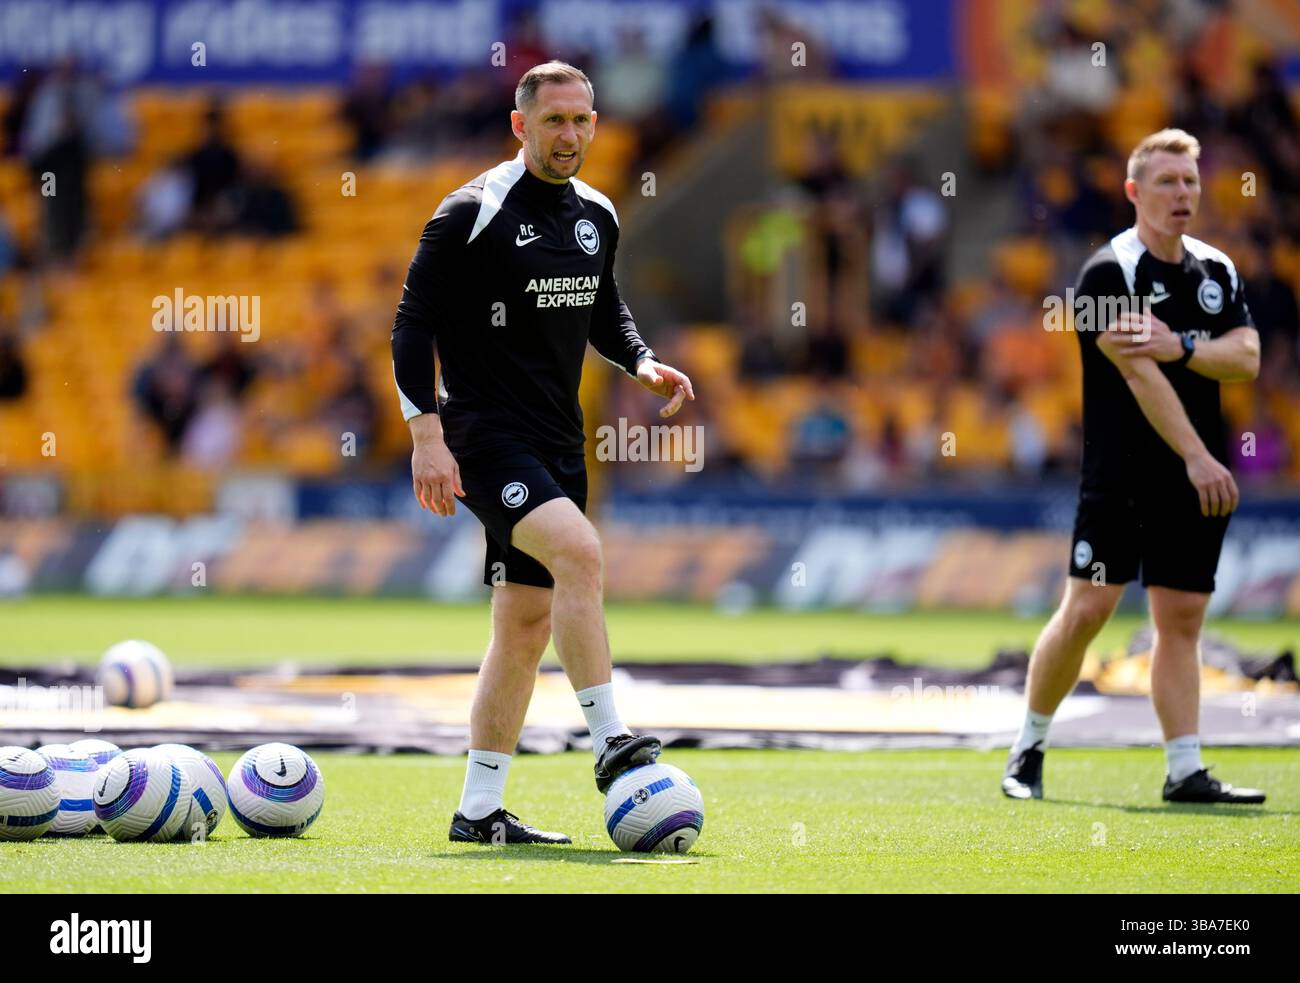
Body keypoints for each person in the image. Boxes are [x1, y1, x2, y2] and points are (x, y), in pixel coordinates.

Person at [391, 62, 695, 844]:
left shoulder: (597, 212)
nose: (570, 135)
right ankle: (612, 741)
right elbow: (410, 327)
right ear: (520, 125)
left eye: (582, 120)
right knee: (582, 555)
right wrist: (427, 435)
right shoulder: (470, 213)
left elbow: (601, 304)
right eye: (554, 121)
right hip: (484, 437)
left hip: (560, 441)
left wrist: (639, 359)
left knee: (523, 625)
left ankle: (478, 810)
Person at [1003, 129, 1266, 804]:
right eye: (1167, 183)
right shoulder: (1105, 274)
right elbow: (1140, 375)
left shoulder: (1217, 269)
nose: (1182, 195)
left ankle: (1184, 769)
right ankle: (1029, 745)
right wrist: (1200, 454)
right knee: (1088, 607)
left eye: (1190, 182)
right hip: (1122, 473)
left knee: (1181, 619)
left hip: (1191, 478)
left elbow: (1247, 356)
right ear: (1133, 192)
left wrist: (1180, 342)